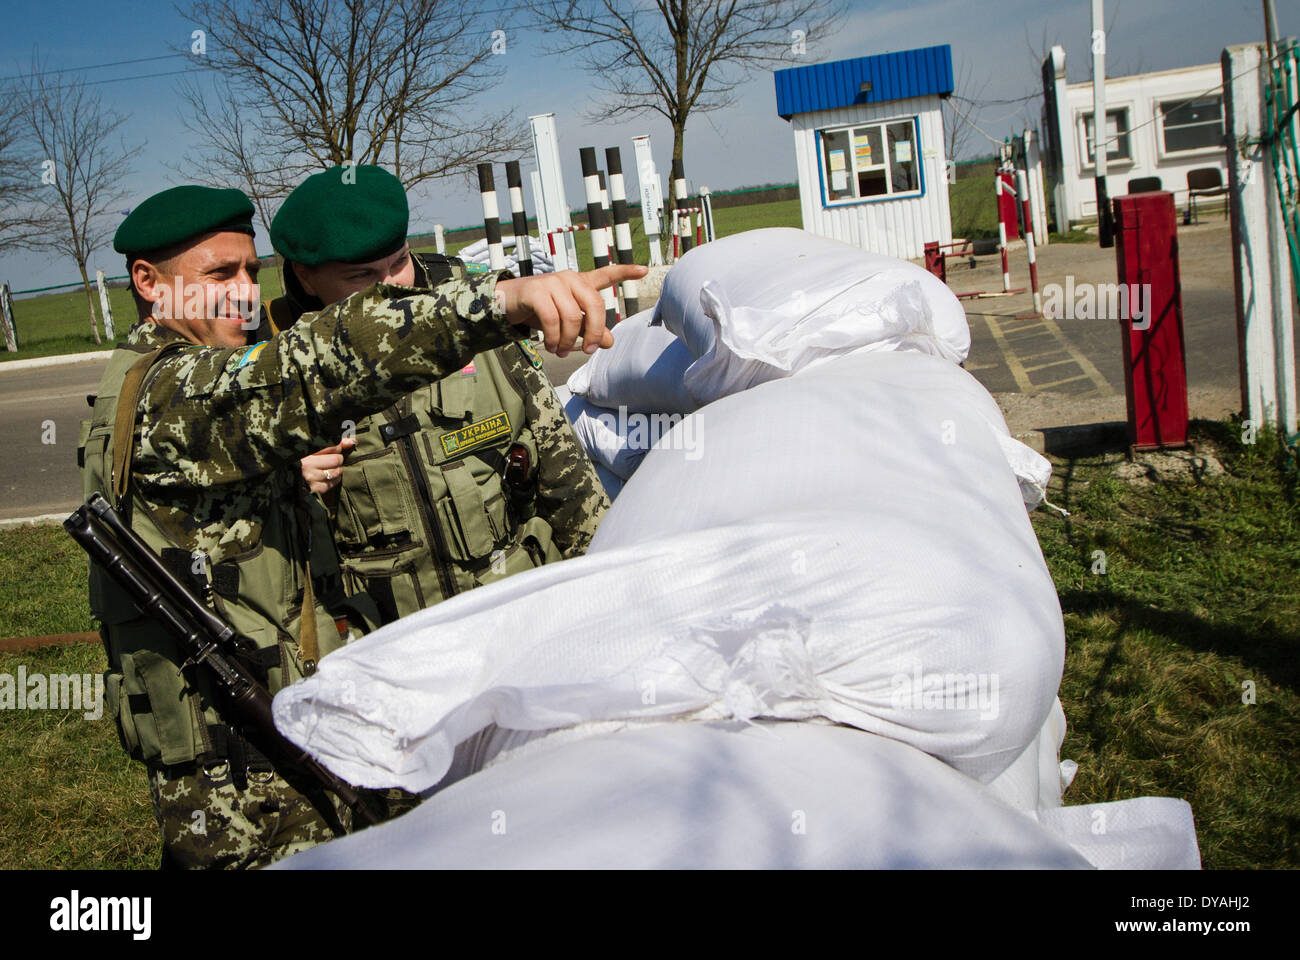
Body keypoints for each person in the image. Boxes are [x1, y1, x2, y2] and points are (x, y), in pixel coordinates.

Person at [79, 183, 643, 869]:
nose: (241, 296)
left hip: (303, 738)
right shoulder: (166, 394)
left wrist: (292, 480)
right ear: (148, 283)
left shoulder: (193, 381)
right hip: (246, 788)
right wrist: (500, 302)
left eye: (245, 273)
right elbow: (304, 371)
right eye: (217, 276)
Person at [264, 165, 608, 626]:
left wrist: (609, 589)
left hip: (523, 613)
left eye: (399, 262)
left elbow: (566, 476)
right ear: (306, 279)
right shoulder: (273, 367)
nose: (393, 287)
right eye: (362, 275)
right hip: (391, 644)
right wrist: (291, 483)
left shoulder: (473, 316)